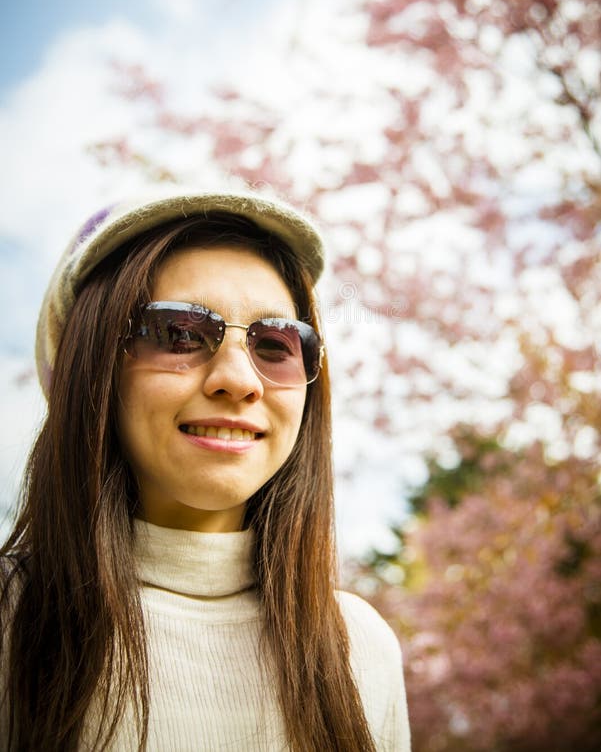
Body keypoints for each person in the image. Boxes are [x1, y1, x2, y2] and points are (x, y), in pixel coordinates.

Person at [0, 187, 411, 751]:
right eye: (180, 334)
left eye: (276, 345)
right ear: (92, 372)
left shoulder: (361, 649)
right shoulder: (11, 624)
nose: (240, 379)